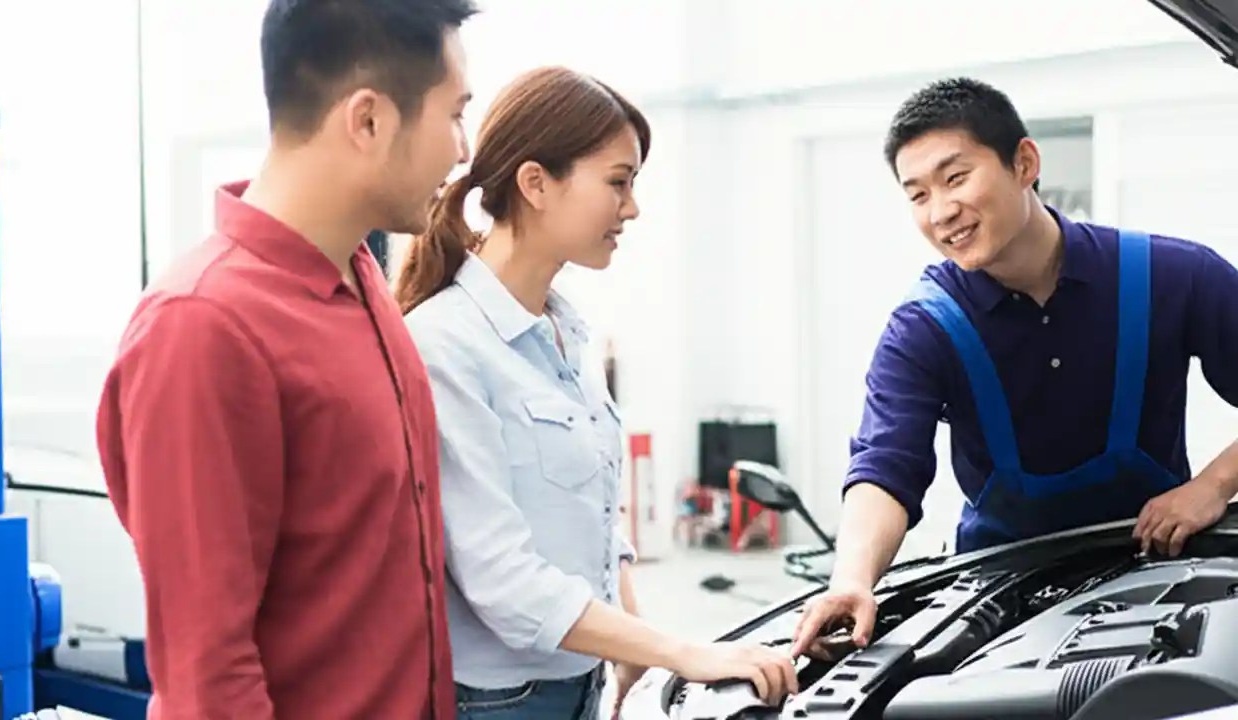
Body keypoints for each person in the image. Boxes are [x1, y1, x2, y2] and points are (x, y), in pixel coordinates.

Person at [94, 1, 477, 717]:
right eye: (455, 114)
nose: (463, 150)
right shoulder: (203, 330)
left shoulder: (360, 281)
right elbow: (207, 683)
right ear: (367, 120)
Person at [396, 66, 799, 719]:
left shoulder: (566, 334)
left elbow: (593, 516)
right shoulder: (446, 346)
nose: (632, 207)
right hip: (497, 705)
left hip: (580, 687)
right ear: (535, 184)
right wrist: (679, 651)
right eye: (618, 182)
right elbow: (503, 582)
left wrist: (631, 638)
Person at [791, 77, 1238, 660]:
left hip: (1164, 582)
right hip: (1002, 607)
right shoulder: (924, 328)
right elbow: (884, 466)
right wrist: (851, 579)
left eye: (955, 178)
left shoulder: (1175, 276)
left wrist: (1214, 486)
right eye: (917, 195)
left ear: (1024, 163)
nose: (941, 212)